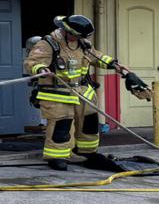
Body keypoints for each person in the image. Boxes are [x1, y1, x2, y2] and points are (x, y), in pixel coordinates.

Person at [24, 14, 149, 170]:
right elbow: (32, 62)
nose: (76, 39)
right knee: (61, 126)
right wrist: (41, 69)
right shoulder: (47, 44)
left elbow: (97, 57)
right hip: (58, 93)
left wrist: (116, 66)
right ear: (66, 31)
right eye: (75, 36)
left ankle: (87, 152)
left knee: (89, 123)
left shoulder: (83, 44)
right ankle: (57, 157)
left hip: (83, 92)